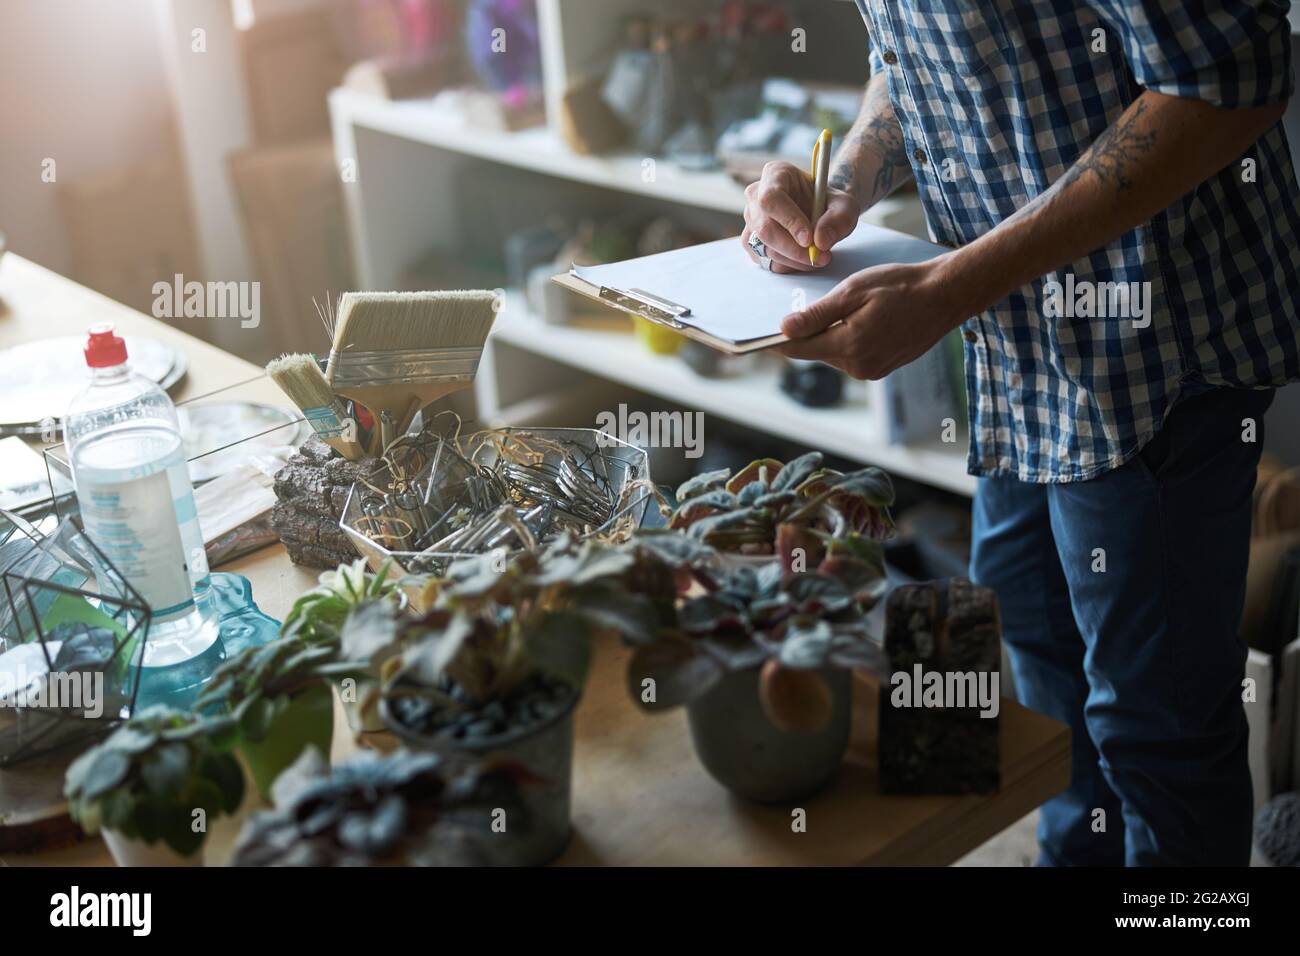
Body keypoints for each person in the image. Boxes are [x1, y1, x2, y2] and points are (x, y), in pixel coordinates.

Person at [742, 0, 1300, 865]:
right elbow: (924, 58)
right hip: (1019, 351)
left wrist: (952, 288)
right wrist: (844, 180)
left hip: (1148, 355)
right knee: (1033, 636)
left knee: (1155, 728)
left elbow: (1230, 82)